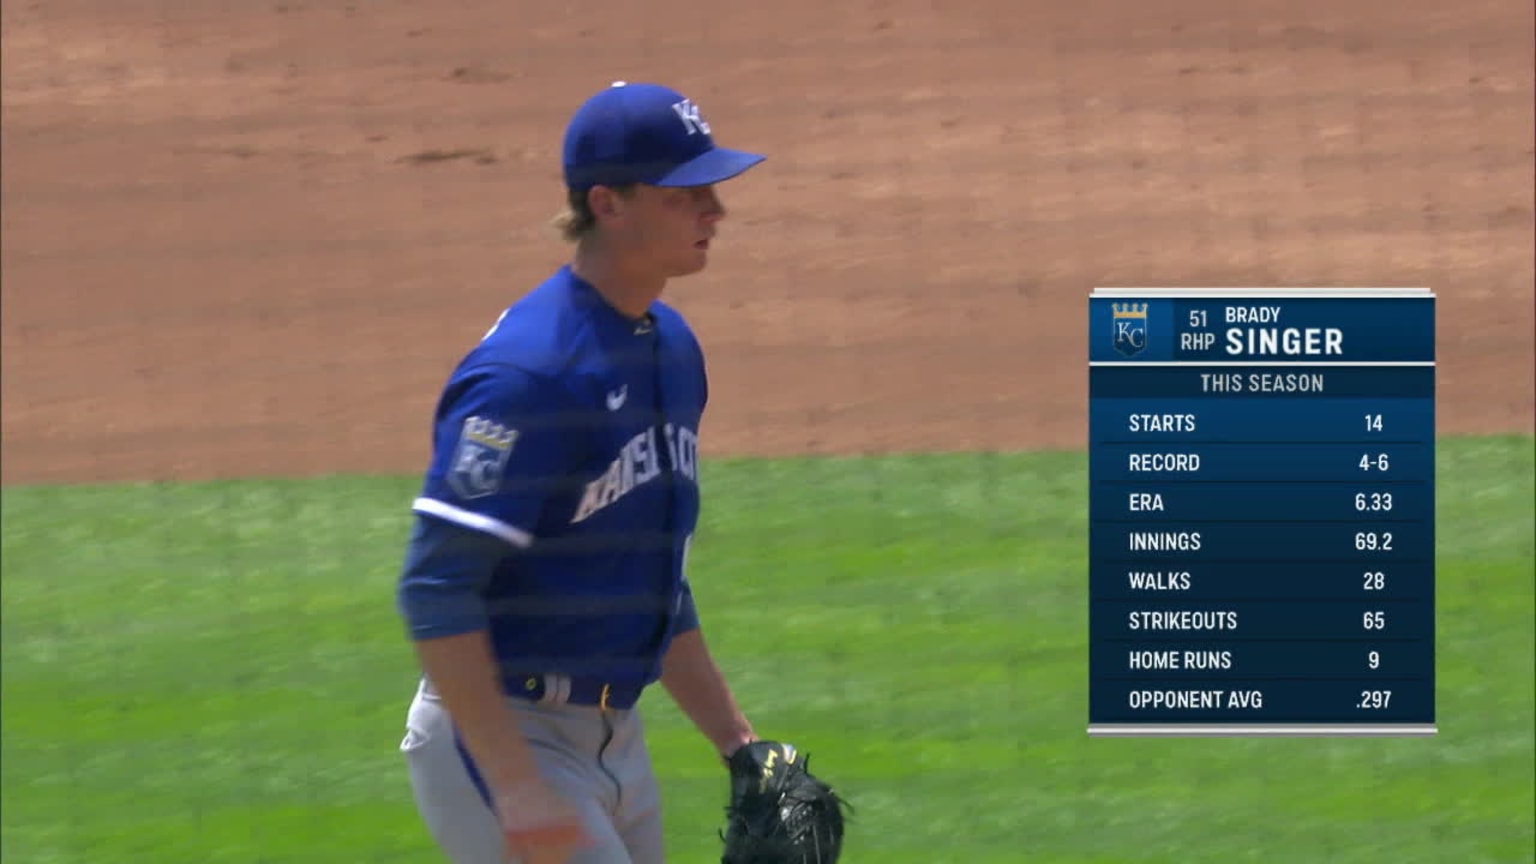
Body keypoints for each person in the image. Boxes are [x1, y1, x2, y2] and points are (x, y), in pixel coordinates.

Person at [393, 80, 768, 864]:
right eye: (685, 194)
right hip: (503, 737)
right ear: (608, 203)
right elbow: (435, 585)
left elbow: (647, 579)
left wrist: (739, 743)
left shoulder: (670, 348)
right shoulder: (530, 374)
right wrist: (514, 782)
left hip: (617, 740)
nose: (715, 211)